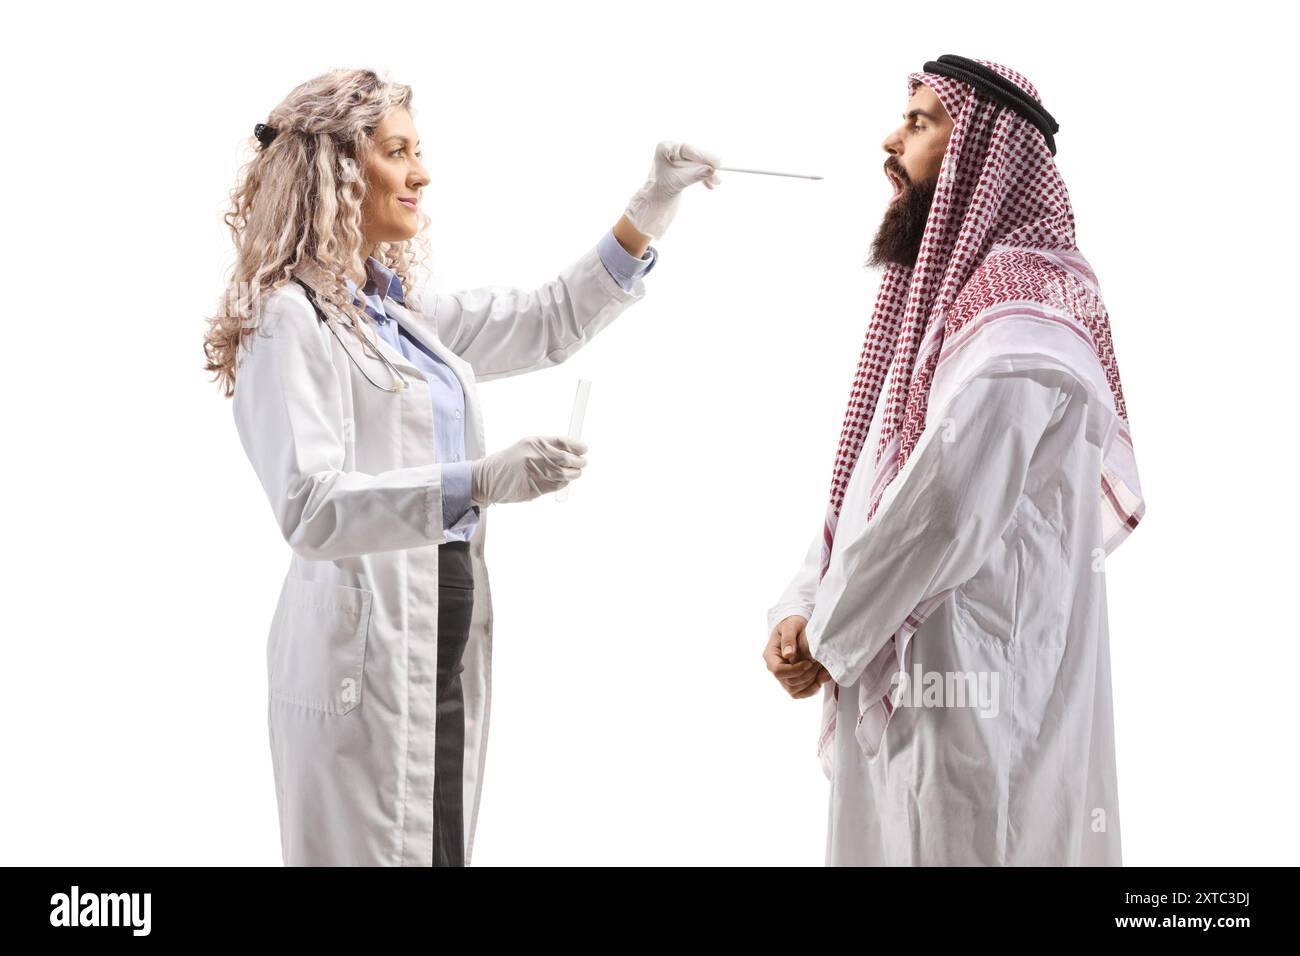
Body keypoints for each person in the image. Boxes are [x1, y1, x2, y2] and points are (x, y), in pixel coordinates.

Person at [203, 68, 719, 866]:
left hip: (440, 629)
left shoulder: (398, 313)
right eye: (399, 151)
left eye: (419, 150)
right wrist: (474, 483)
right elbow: (309, 508)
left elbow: (547, 319)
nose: (422, 172)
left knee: (438, 849)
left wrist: (647, 210)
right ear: (340, 169)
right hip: (364, 649)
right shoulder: (288, 319)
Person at [763, 55, 1145, 866]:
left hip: (983, 690)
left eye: (921, 120)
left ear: (979, 149)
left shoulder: (1025, 313)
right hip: (911, 680)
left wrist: (829, 638)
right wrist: (799, 607)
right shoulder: (953, 304)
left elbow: (944, 509)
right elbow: (878, 474)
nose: (890, 139)